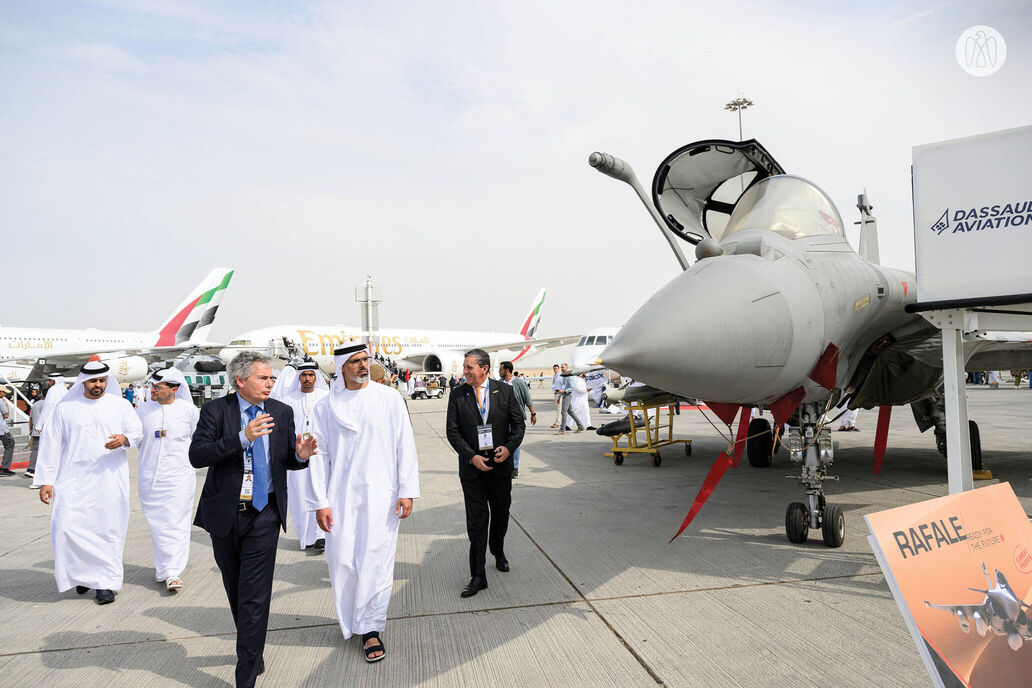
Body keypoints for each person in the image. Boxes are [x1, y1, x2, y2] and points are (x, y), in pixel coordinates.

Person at [188, 351, 317, 688]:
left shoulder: (281, 412)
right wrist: (243, 438)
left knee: (254, 594)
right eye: (264, 378)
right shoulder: (216, 411)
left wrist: (300, 457)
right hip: (226, 515)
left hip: (265, 513)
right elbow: (197, 455)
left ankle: (245, 676)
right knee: (235, 588)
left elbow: (286, 458)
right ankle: (253, 650)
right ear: (241, 381)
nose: (271, 383)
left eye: (272, 378)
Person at [306, 343, 420, 662]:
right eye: (354, 361)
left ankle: (370, 628)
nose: (361, 365)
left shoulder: (389, 399)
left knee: (375, 560)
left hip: (382, 495)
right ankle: (351, 622)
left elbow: (404, 446)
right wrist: (320, 502)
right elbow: (318, 456)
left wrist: (406, 490)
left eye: (365, 360)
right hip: (339, 496)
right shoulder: (325, 407)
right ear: (341, 366)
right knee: (341, 560)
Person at [32, 361, 143, 604]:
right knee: (68, 528)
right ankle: (82, 576)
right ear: (83, 381)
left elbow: (137, 433)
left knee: (107, 530)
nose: (98, 385)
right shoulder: (65, 408)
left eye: (102, 380)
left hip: (109, 480)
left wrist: (124, 439)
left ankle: (105, 584)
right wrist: (46, 482)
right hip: (72, 478)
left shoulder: (120, 405)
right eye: (93, 381)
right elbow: (51, 446)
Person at [446, 349, 525, 598]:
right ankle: (478, 575)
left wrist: (509, 448)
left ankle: (498, 550)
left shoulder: (505, 391)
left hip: (500, 467)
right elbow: (453, 432)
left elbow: (518, 425)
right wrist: (471, 456)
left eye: (469, 367)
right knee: (477, 522)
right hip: (472, 469)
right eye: (464, 367)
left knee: (501, 513)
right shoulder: (458, 394)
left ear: (484, 369)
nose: (464, 371)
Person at [136, 368, 200, 591]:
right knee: (158, 525)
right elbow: (133, 439)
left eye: (158, 387)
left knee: (175, 522)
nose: (153, 390)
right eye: (152, 386)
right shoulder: (142, 411)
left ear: (174, 389)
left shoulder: (188, 410)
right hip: (149, 477)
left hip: (179, 476)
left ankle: (173, 572)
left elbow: (199, 439)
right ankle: (163, 568)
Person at [270, 361, 328, 552]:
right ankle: (307, 537)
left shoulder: (325, 396)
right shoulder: (288, 399)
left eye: (311, 375)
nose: (307, 379)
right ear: (299, 377)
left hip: (321, 453)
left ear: (316, 377)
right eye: (304, 375)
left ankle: (322, 535)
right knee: (299, 495)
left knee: (321, 490)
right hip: (297, 456)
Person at [498, 361, 536, 478]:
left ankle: (514, 468)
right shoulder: (499, 383)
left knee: (515, 443)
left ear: (507, 370)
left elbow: (527, 398)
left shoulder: (518, 382)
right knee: (503, 442)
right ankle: (504, 465)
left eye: (501, 369)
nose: (499, 371)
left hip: (516, 418)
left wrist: (533, 413)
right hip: (502, 419)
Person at [556, 363, 585, 434]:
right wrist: (560, 396)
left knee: (563, 412)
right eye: (561, 367)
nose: (562, 368)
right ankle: (580, 426)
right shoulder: (565, 376)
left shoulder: (569, 376)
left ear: (567, 367)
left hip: (567, 395)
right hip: (565, 395)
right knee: (570, 412)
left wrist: (564, 391)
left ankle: (562, 430)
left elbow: (572, 388)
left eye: (563, 367)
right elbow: (564, 387)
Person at [24, 387, 44, 480]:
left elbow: (31, 419)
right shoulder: (47, 404)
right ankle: (33, 470)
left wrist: (31, 430)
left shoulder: (36, 404)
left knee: (35, 451)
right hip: (43, 432)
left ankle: (30, 469)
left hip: (35, 431)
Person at [0, 386, 15, 477]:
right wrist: (7, 405)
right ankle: (4, 468)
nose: (5, 394)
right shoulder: (1, 401)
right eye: (4, 392)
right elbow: (6, 416)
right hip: (2, 428)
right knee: (10, 445)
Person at [550, 364, 563, 428]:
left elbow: (563, 386)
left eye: (556, 368)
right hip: (555, 394)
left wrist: (560, 396)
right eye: (554, 368)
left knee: (559, 409)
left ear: (559, 369)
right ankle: (563, 422)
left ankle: (557, 423)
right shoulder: (554, 376)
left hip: (559, 394)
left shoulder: (560, 376)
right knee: (560, 409)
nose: (555, 369)